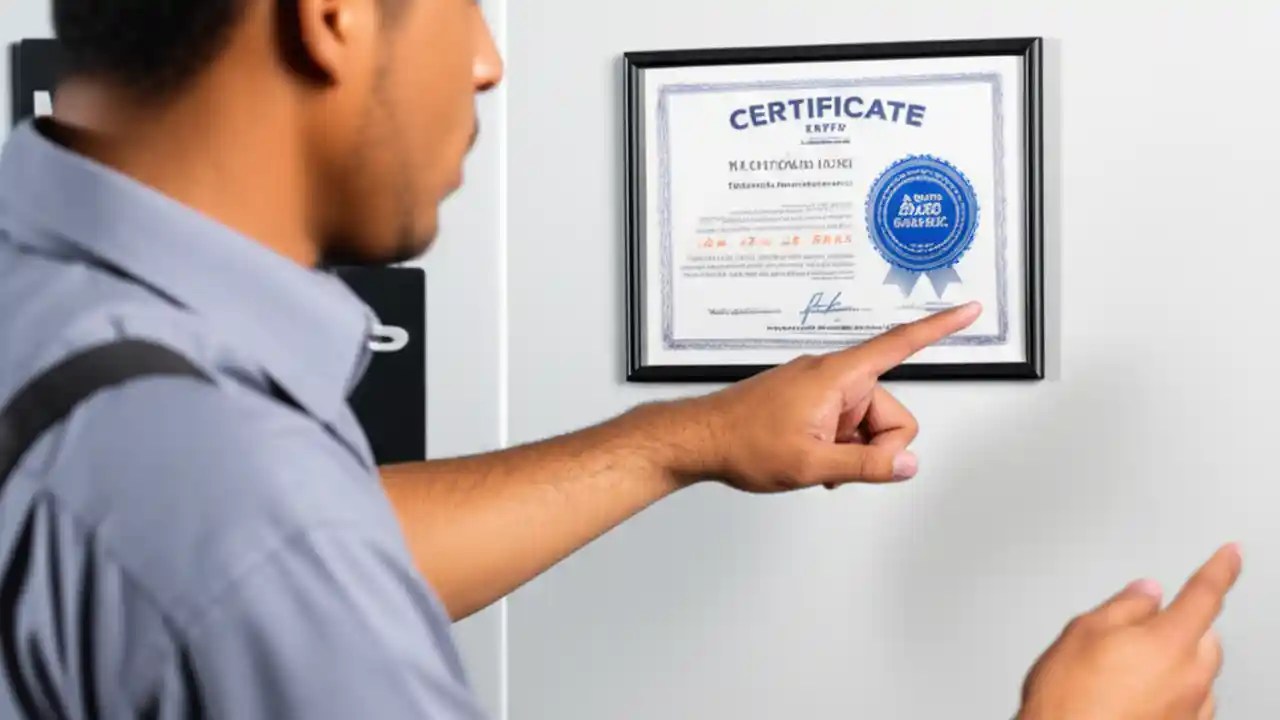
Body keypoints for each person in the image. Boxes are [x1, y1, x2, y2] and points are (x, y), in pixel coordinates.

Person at [0, 1, 1241, 718]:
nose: (486, 58)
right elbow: (261, 550)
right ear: (329, 16)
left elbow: (272, 551)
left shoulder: (64, 313)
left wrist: (683, 438)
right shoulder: (235, 502)